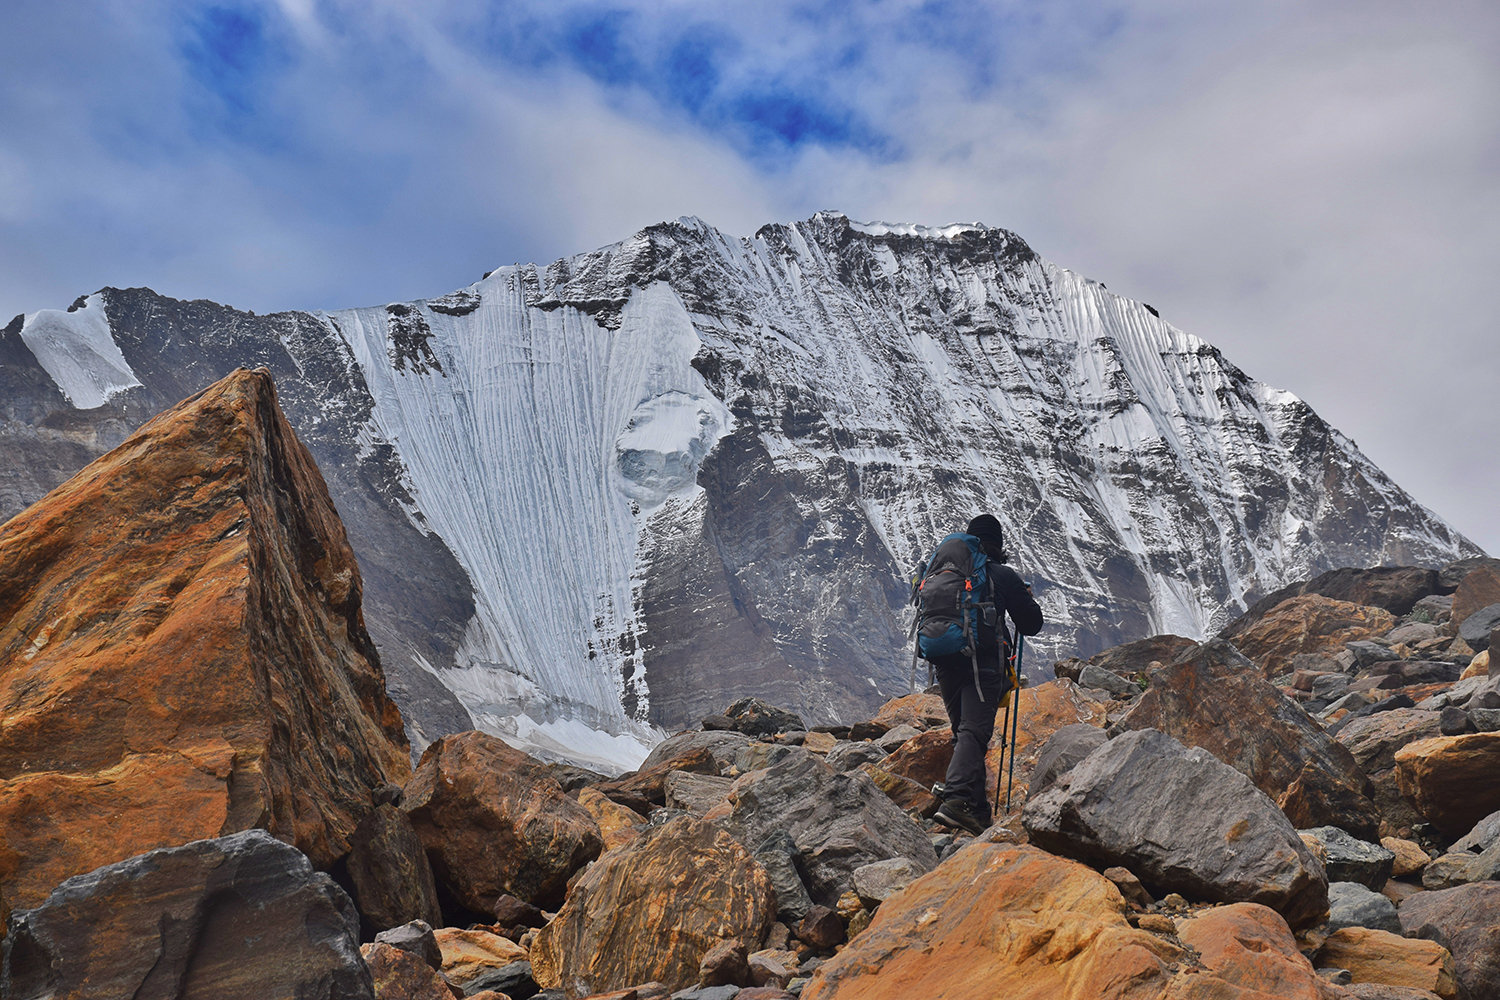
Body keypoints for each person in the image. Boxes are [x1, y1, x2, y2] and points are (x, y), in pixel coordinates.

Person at [930, 513, 1044, 835]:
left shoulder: (945, 573)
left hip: (945, 660)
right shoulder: (1001, 575)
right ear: (998, 546)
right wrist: (1023, 597)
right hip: (982, 665)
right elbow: (1032, 624)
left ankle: (976, 812)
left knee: (965, 732)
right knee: (974, 732)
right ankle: (955, 799)